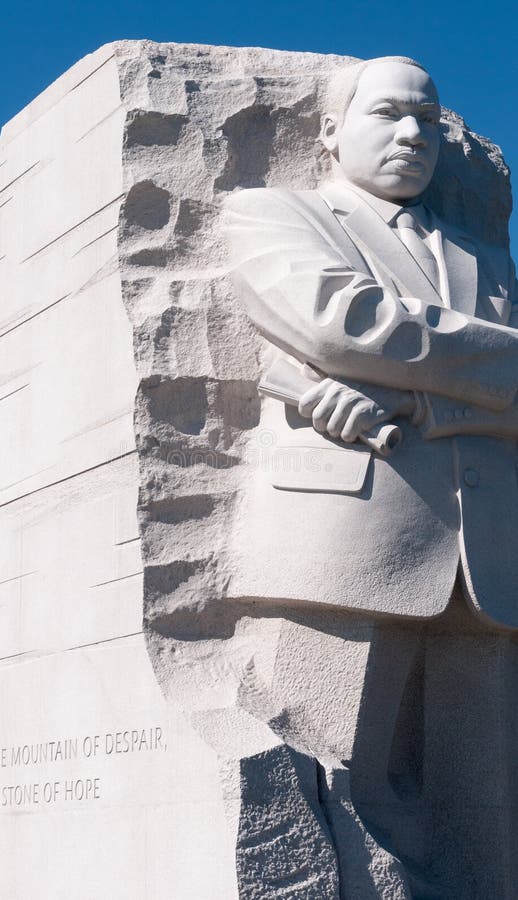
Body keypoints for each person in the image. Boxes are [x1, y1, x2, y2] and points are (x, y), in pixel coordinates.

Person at [223, 57, 518, 897]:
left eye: (430, 120)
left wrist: (432, 406)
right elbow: (346, 323)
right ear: (330, 130)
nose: (413, 135)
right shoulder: (275, 214)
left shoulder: (485, 261)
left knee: (487, 832)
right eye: (389, 114)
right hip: (347, 542)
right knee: (323, 795)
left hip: (490, 565)